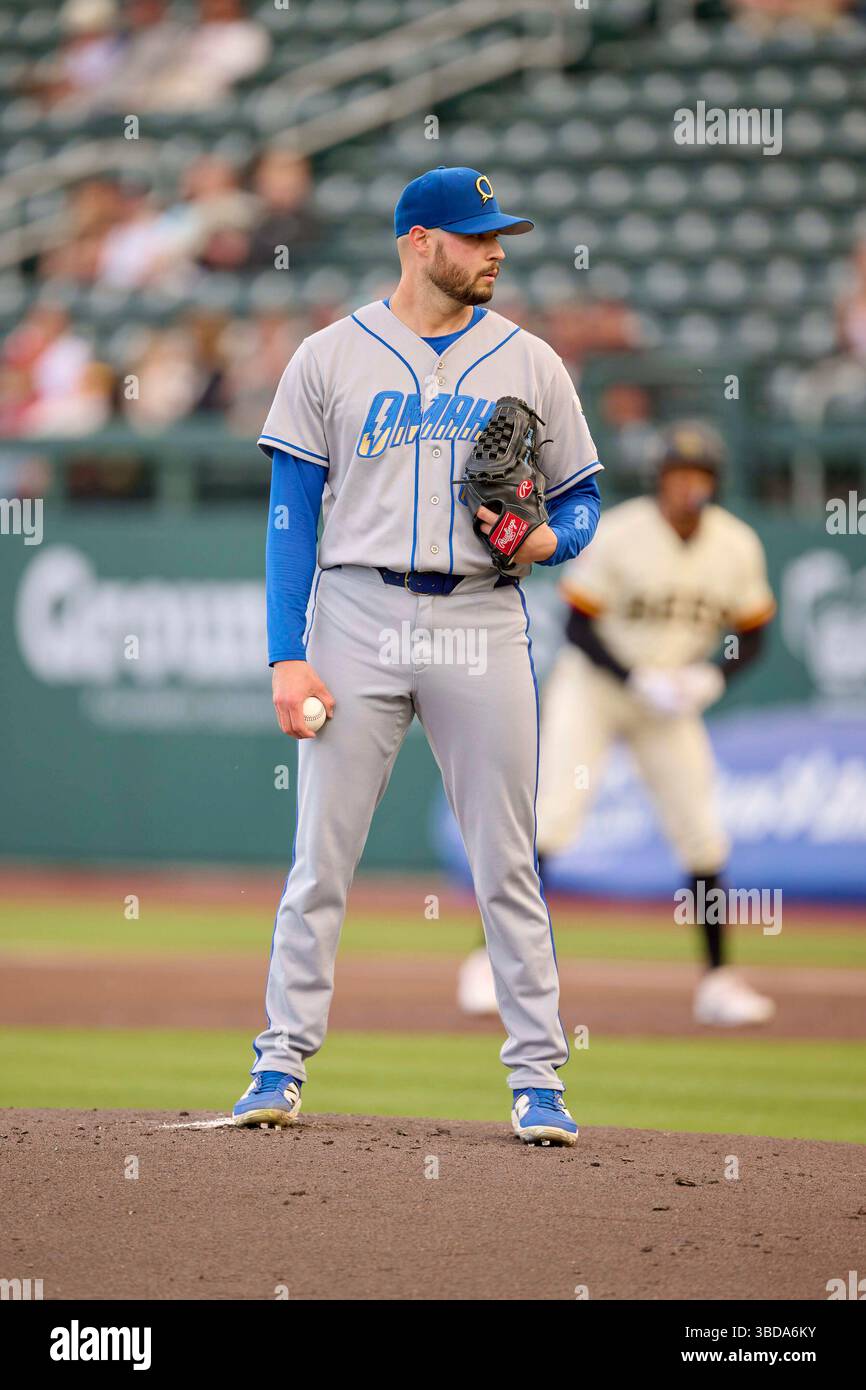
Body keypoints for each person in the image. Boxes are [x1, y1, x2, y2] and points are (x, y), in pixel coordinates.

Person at [232, 166, 604, 1146]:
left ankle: (538, 1080)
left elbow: (581, 498)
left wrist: (546, 542)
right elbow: (288, 517)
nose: (494, 251)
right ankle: (278, 1059)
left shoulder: (530, 362)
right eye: (475, 235)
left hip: (481, 615)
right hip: (355, 610)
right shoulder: (327, 356)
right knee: (320, 854)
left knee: (505, 861)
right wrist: (285, 653)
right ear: (416, 242)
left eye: (499, 236)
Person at [479, 422, 775, 1028]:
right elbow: (579, 624)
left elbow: (754, 632)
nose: (687, 486)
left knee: (702, 832)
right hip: (597, 688)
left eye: (698, 476)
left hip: (670, 697)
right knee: (556, 816)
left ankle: (717, 981)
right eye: (677, 475)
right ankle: (490, 960)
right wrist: (635, 676)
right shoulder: (621, 532)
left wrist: (712, 677)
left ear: (712, 484)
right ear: (660, 480)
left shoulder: (736, 544)